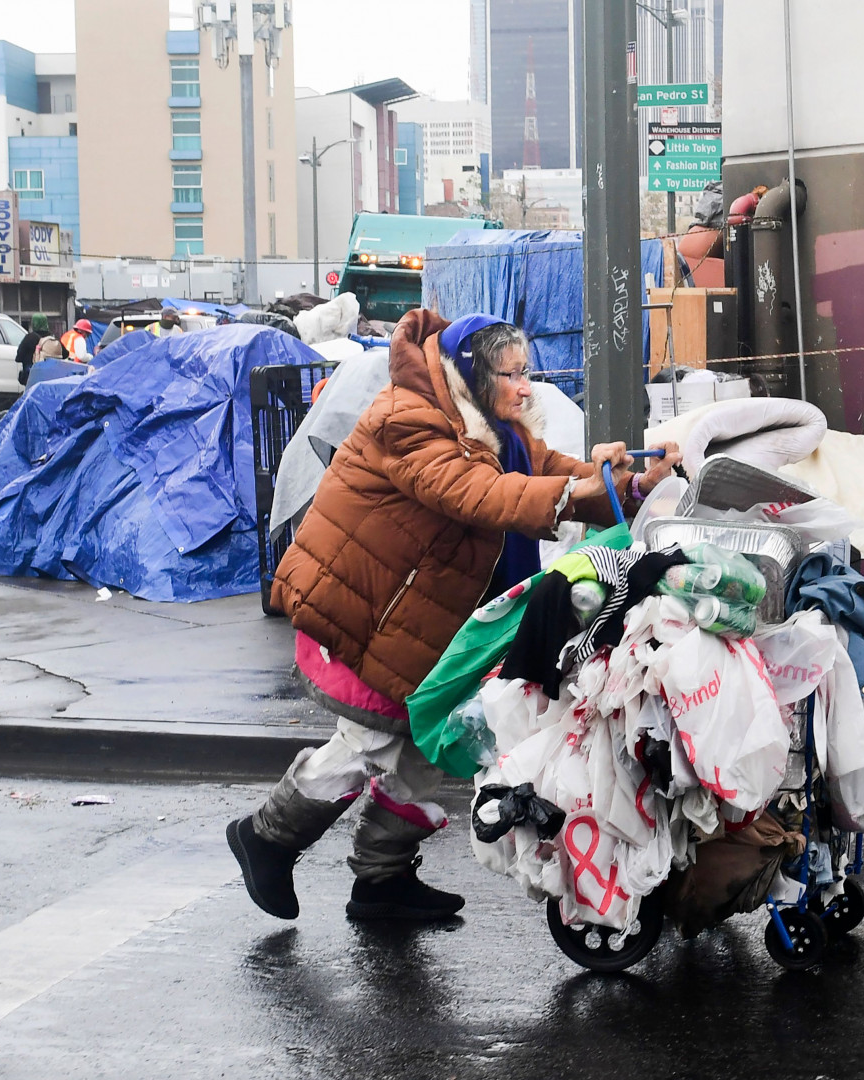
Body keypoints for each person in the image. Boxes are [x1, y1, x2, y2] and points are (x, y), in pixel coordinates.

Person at [226, 309, 681, 923]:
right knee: (371, 743)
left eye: (527, 373)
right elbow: (477, 493)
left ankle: (381, 880)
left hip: (424, 620)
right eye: (511, 374)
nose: (526, 387)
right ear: (472, 371)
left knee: (431, 747)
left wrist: (623, 485)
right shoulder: (408, 418)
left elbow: (543, 471)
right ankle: (267, 836)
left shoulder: (499, 427)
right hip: (368, 609)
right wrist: (577, 493)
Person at [15, 313, 49, 385]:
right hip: (49, 376)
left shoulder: (29, 338)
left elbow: (18, 357)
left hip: (32, 377)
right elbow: (65, 354)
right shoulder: (52, 339)